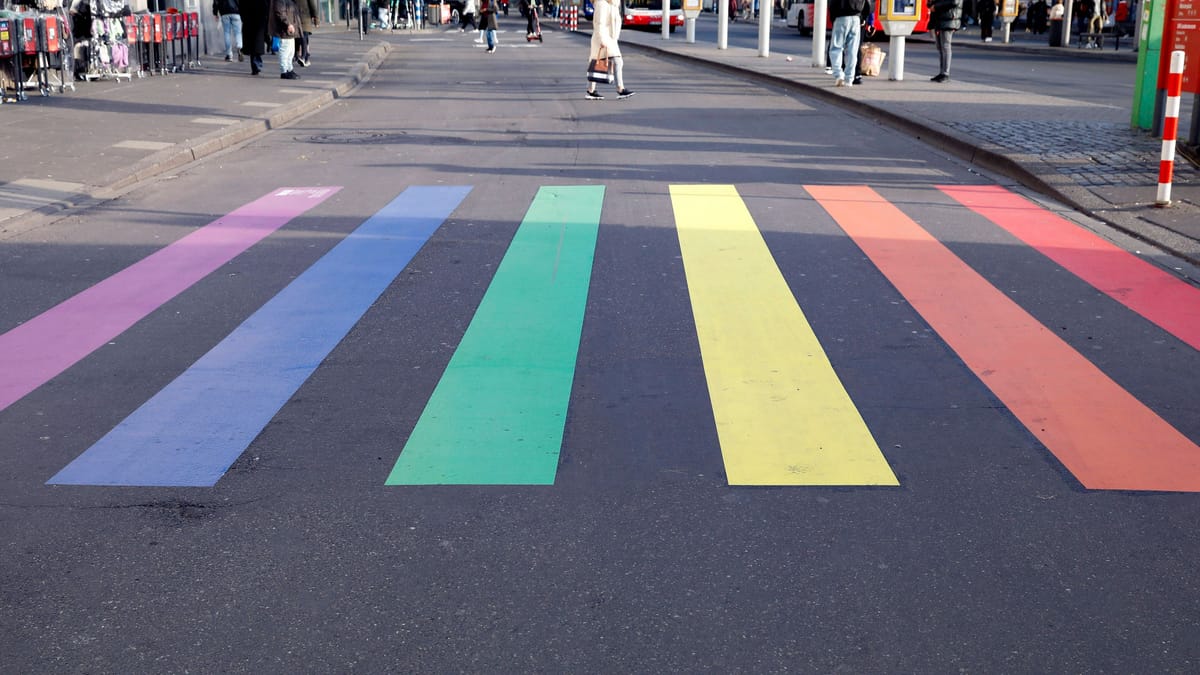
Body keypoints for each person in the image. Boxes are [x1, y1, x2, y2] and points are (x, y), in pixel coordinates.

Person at [586, 0, 633, 99]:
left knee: (595, 62)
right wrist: (602, 40)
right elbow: (599, 23)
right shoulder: (601, 3)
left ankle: (591, 90)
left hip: (610, 38)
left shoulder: (613, 4)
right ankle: (620, 89)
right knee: (617, 61)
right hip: (603, 38)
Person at [828, 0, 871, 87]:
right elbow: (868, 4)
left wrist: (833, 18)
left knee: (836, 48)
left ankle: (839, 75)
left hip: (841, 17)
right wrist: (863, 18)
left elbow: (832, 4)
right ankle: (849, 79)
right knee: (853, 51)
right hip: (856, 18)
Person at [268, 0, 302, 79]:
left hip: (289, 29)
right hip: (284, 29)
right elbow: (280, 12)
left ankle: (289, 69)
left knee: (290, 52)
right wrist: (288, 24)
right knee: (285, 51)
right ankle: (284, 71)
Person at [929, 0, 961, 82]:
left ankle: (945, 74)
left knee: (945, 47)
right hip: (940, 19)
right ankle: (942, 73)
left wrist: (936, 6)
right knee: (940, 47)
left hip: (949, 19)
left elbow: (954, 2)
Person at [241, 0, 268, 75]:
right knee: (256, 46)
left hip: (249, 22)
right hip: (258, 22)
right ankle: (256, 64)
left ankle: (255, 65)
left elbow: (241, 8)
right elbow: (265, 7)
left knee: (253, 46)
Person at [295, 0, 318, 67]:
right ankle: (304, 57)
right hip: (300, 18)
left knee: (303, 38)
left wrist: (316, 19)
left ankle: (303, 57)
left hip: (303, 18)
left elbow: (313, 6)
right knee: (302, 38)